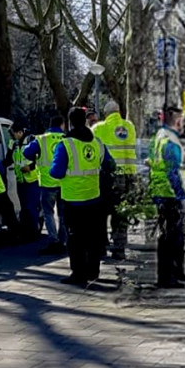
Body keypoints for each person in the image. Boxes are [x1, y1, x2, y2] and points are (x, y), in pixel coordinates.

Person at [50, 106, 115, 286]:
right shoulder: (98, 143)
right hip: (94, 198)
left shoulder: (65, 144)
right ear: (85, 121)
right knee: (93, 237)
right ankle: (93, 271)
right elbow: (110, 164)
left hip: (73, 200)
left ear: (70, 122)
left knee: (75, 239)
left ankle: (78, 274)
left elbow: (56, 172)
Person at [149, 106, 185, 288]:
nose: (182, 124)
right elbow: (172, 170)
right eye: (181, 120)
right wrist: (180, 193)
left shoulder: (161, 136)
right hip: (171, 195)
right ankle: (168, 277)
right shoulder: (169, 141)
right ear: (176, 120)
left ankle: (177, 272)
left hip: (164, 193)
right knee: (171, 238)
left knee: (174, 236)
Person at [93, 101, 139, 260]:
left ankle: (100, 248)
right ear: (118, 111)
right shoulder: (130, 127)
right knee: (121, 214)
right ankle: (119, 249)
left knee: (100, 213)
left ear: (106, 114)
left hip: (106, 177)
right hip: (127, 176)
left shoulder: (99, 128)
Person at [23, 117, 68, 253]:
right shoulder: (67, 138)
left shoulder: (41, 139)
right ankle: (63, 241)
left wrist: (37, 157)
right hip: (64, 182)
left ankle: (53, 241)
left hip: (48, 182)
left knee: (48, 213)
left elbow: (26, 152)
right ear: (62, 125)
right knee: (62, 214)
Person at [11, 126, 41, 237]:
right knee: (24, 207)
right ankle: (25, 231)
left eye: (15, 133)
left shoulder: (31, 140)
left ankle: (34, 232)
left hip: (32, 179)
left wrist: (31, 167)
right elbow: (12, 158)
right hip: (21, 180)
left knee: (31, 207)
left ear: (20, 132)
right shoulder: (15, 144)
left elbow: (39, 158)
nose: (14, 136)